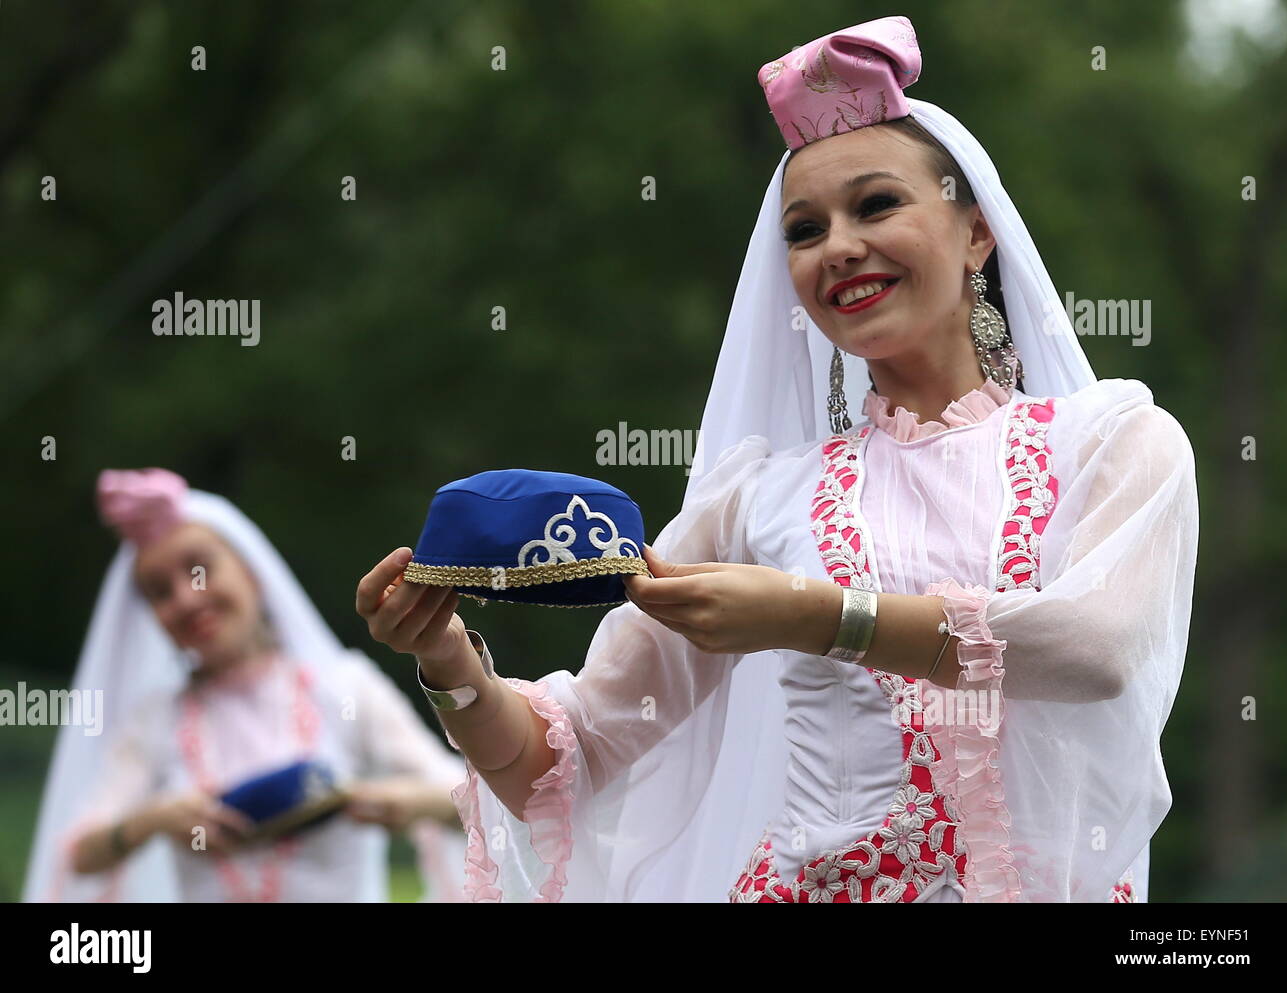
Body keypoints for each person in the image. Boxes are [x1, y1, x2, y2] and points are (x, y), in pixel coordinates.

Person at [355, 15, 1198, 902]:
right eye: (804, 229)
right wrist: (450, 663)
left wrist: (816, 616)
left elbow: (1093, 648)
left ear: (976, 235)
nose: (837, 246)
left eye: (876, 205)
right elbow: (561, 764)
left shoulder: (1112, 441)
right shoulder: (762, 498)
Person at [24, 468, 468, 902]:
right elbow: (79, 852)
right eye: (160, 591)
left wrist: (406, 802)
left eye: (199, 569)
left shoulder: (345, 688)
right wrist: (152, 820)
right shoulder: (159, 717)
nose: (186, 598)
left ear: (252, 571)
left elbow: (469, 802)